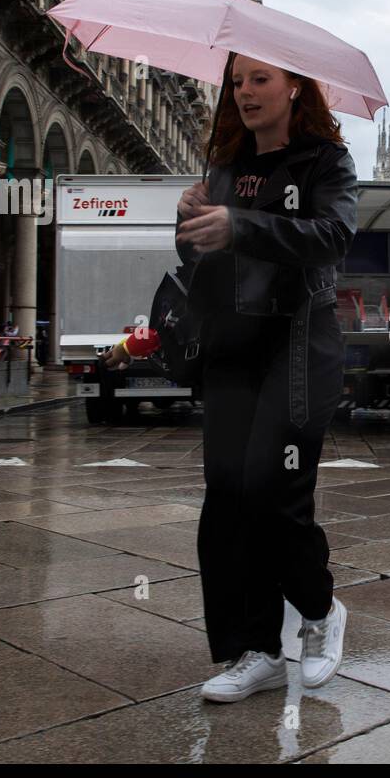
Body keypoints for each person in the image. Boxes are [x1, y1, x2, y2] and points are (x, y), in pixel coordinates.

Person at [102, 51, 356, 704]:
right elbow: (198, 256)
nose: (244, 92)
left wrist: (240, 224)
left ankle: (322, 611)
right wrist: (189, 222)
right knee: (227, 500)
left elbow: (331, 234)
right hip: (233, 347)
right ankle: (256, 650)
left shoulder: (325, 161)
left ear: (295, 85)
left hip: (298, 345)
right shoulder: (225, 169)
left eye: (259, 79)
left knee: (273, 491)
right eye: (237, 82)